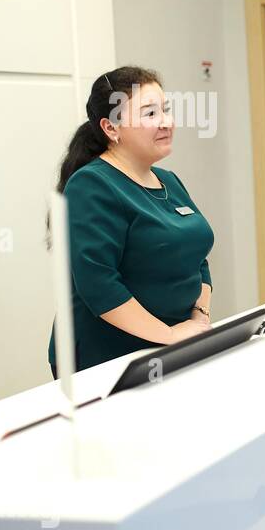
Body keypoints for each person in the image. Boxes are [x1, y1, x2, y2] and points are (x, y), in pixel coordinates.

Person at [47, 66, 214, 376]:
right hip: (109, 358)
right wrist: (169, 334)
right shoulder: (92, 186)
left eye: (165, 109)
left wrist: (199, 315)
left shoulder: (169, 181)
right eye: (150, 114)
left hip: (171, 348)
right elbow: (98, 283)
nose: (166, 122)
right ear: (112, 129)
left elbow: (195, 254)